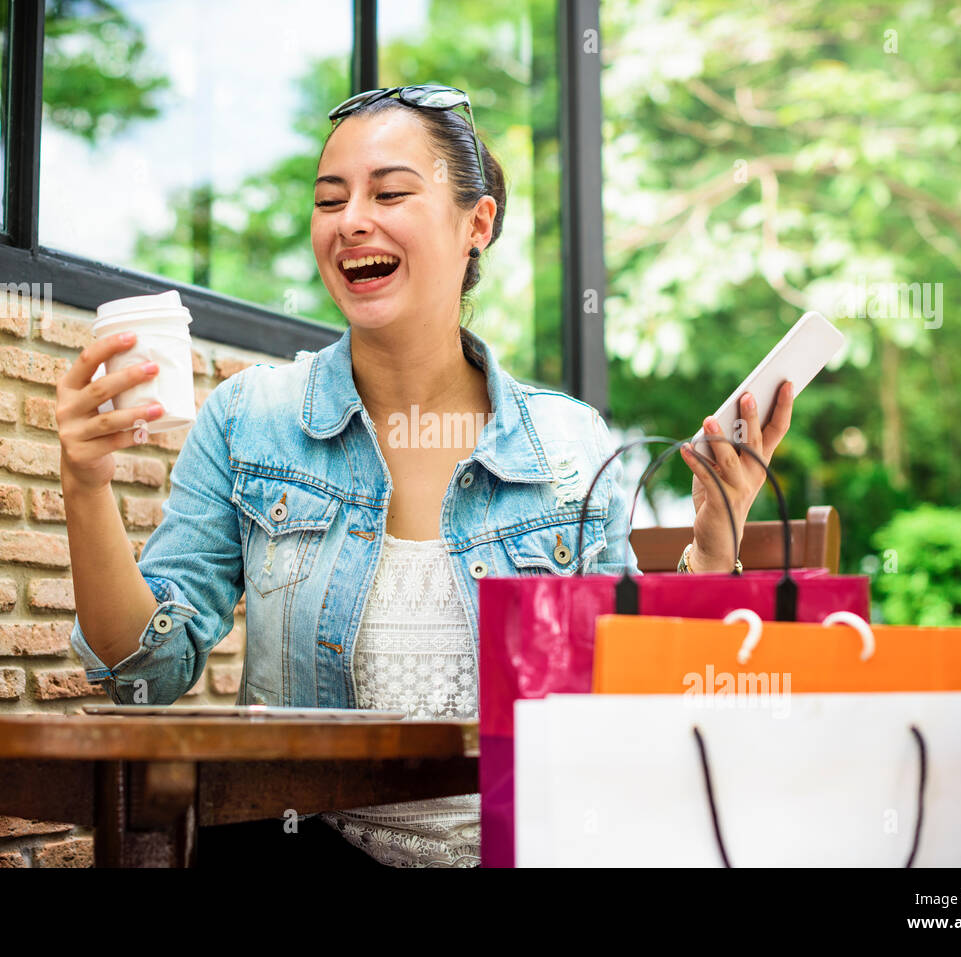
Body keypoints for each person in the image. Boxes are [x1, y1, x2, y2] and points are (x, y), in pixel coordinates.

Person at [57, 85, 794, 867]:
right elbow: (145, 676)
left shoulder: (568, 442)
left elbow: (620, 698)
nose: (350, 221)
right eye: (329, 199)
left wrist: (715, 546)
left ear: (477, 224)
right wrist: (84, 484)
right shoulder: (250, 420)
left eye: (390, 192)